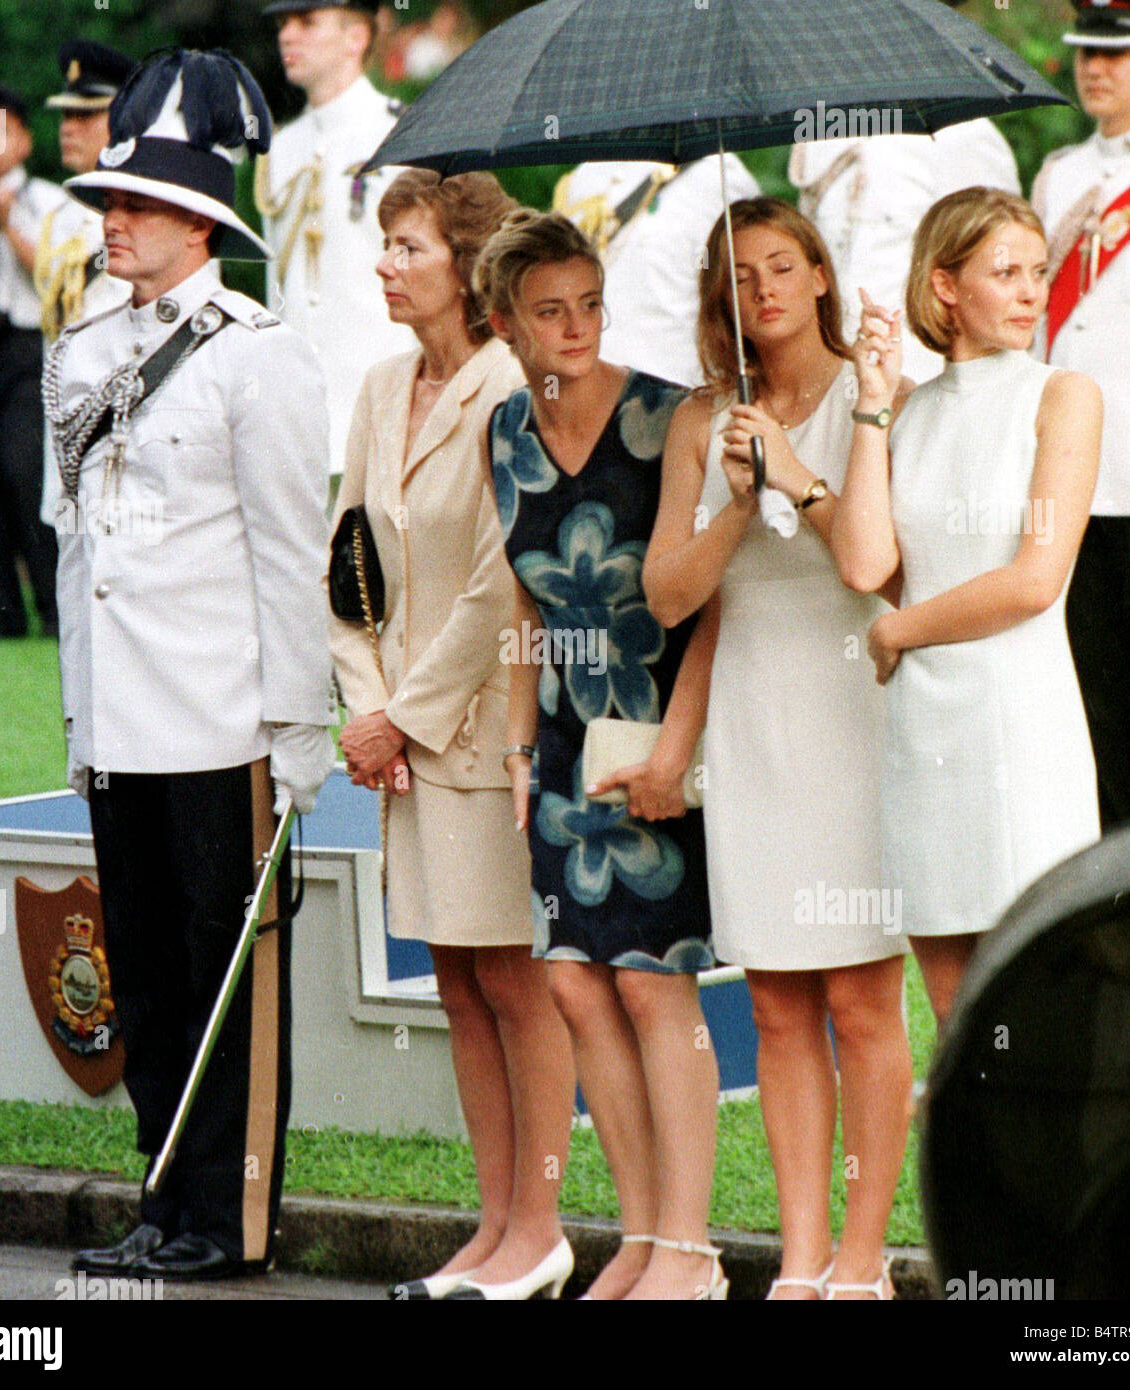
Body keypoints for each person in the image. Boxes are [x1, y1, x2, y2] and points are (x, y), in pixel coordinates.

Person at [49, 49, 335, 1281]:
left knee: (231, 988)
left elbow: (289, 549)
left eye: (135, 206)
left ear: (198, 223)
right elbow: (76, 553)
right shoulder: (80, 349)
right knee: (153, 982)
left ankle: (229, 1218)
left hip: (222, 720)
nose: (112, 221)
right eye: (107, 203)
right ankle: (159, 1200)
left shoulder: (252, 352)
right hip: (124, 720)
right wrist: (78, 713)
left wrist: (298, 725)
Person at [644, 197, 912, 1301]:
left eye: (780, 267)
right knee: (775, 1004)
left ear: (818, 277)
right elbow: (669, 598)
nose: (761, 290)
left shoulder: (878, 395)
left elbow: (890, 573)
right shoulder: (705, 422)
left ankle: (862, 1256)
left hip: (856, 719)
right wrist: (737, 508)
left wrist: (802, 473)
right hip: (755, 726)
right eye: (739, 276)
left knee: (861, 1000)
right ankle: (800, 1257)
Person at [329, 169, 577, 1302]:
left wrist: (402, 715)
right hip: (397, 744)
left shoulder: (507, 391)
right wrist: (358, 700)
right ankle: (489, 1229)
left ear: (467, 270)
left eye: (407, 245)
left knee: (513, 979)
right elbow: (347, 565)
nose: (384, 262)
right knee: (457, 983)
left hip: (477, 734)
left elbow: (496, 587)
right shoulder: (381, 388)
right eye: (383, 244)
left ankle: (542, 1229)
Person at [477, 210, 723, 1301]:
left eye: (589, 304)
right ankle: (636, 1236)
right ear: (507, 324)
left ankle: (693, 1250)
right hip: (570, 741)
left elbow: (716, 605)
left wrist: (680, 743)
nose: (575, 327)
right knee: (577, 987)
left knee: (654, 985)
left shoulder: (671, 417)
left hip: (660, 727)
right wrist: (522, 743)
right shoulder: (503, 433)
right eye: (549, 311)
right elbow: (529, 594)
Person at [831, 187, 1101, 1031]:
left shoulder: (1064, 395)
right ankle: (977, 1170)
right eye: (1006, 273)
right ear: (945, 288)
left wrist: (897, 629)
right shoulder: (909, 411)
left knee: (1045, 1011)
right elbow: (865, 561)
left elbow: (1033, 581)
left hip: (1021, 729)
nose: (1031, 291)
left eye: (1038, 272)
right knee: (962, 1029)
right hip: (924, 736)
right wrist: (873, 403)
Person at [1032, 0, 1130, 829]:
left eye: (1117, 53)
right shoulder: (1061, 174)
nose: (1095, 68)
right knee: (1089, 713)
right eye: (1086, 52)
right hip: (1069, 495)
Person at [789, 2, 1019, 385]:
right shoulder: (826, 132)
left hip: (919, 384)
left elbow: (998, 283)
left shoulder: (965, 134)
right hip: (830, 381)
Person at [257, 0, 413, 480]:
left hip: (384, 414)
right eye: (283, 24)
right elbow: (275, 292)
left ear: (356, 37)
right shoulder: (280, 147)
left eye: (306, 22)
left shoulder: (400, 135)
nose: (287, 36)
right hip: (296, 423)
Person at [0, 86, 64, 638]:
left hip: (26, 344)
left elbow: (51, 276)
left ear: (24, 139)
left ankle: (52, 606)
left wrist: (5, 220)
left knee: (25, 471)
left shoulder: (47, 200)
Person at [36, 39, 136, 529]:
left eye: (86, 115)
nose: (67, 128)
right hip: (63, 431)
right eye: (64, 116)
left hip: (123, 435)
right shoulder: (58, 215)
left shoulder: (152, 212)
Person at [553, 154, 759, 387]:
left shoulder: (717, 173)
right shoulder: (584, 176)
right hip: (589, 391)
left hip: (677, 391)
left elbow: (743, 299)